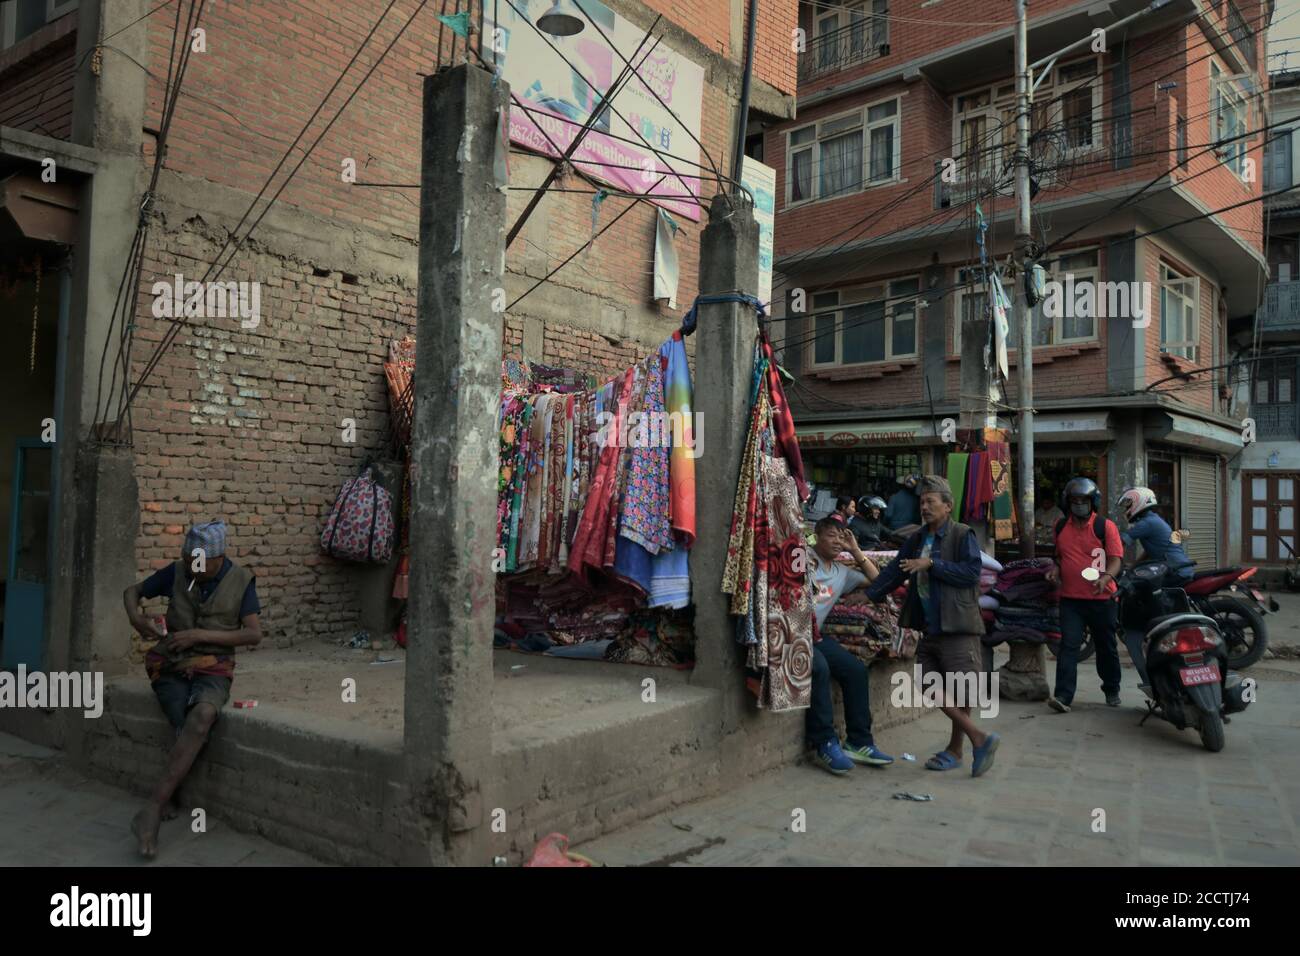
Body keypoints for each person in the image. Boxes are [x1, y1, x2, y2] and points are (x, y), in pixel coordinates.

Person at [122, 520, 262, 858]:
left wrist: (200, 636)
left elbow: (253, 634)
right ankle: (167, 797)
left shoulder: (241, 581)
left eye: (200, 564)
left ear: (218, 558)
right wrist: (136, 619)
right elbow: (132, 592)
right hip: (170, 665)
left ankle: (152, 808)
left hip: (213, 667)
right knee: (183, 719)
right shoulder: (176, 573)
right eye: (189, 562)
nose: (193, 570)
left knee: (203, 715)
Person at [858, 475, 1001, 777]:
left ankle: (956, 749)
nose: (924, 507)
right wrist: (868, 595)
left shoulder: (962, 535)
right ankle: (978, 737)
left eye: (930, 502)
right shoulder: (916, 539)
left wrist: (933, 565)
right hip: (928, 626)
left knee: (960, 692)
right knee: (928, 685)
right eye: (922, 502)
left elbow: (971, 574)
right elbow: (895, 573)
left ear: (947, 506)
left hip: (958, 626)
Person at [804, 513, 895, 775]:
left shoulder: (842, 573)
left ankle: (859, 742)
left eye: (841, 537)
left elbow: (879, 582)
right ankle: (824, 742)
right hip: (793, 635)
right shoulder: (804, 560)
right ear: (816, 537)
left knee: (854, 669)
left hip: (816, 636)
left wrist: (855, 550)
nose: (836, 541)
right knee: (819, 668)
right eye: (830, 535)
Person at [1045, 477, 1124, 713]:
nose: (1079, 504)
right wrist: (1055, 570)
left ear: (1093, 502)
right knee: (1068, 646)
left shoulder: (1105, 526)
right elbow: (1060, 557)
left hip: (1102, 599)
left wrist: (1106, 578)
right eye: (1074, 500)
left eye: (1083, 500)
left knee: (1106, 646)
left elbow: (1116, 560)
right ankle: (1063, 696)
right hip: (1070, 599)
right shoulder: (1060, 526)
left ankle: (1111, 688)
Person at [1116, 487, 1194, 583]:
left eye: (1129, 506)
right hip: (1180, 569)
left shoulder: (1146, 523)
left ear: (1139, 502)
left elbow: (1119, 542)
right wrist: (1133, 566)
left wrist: (1113, 564)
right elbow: (1149, 552)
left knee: (1140, 588)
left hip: (1175, 571)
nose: (1127, 509)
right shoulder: (1153, 519)